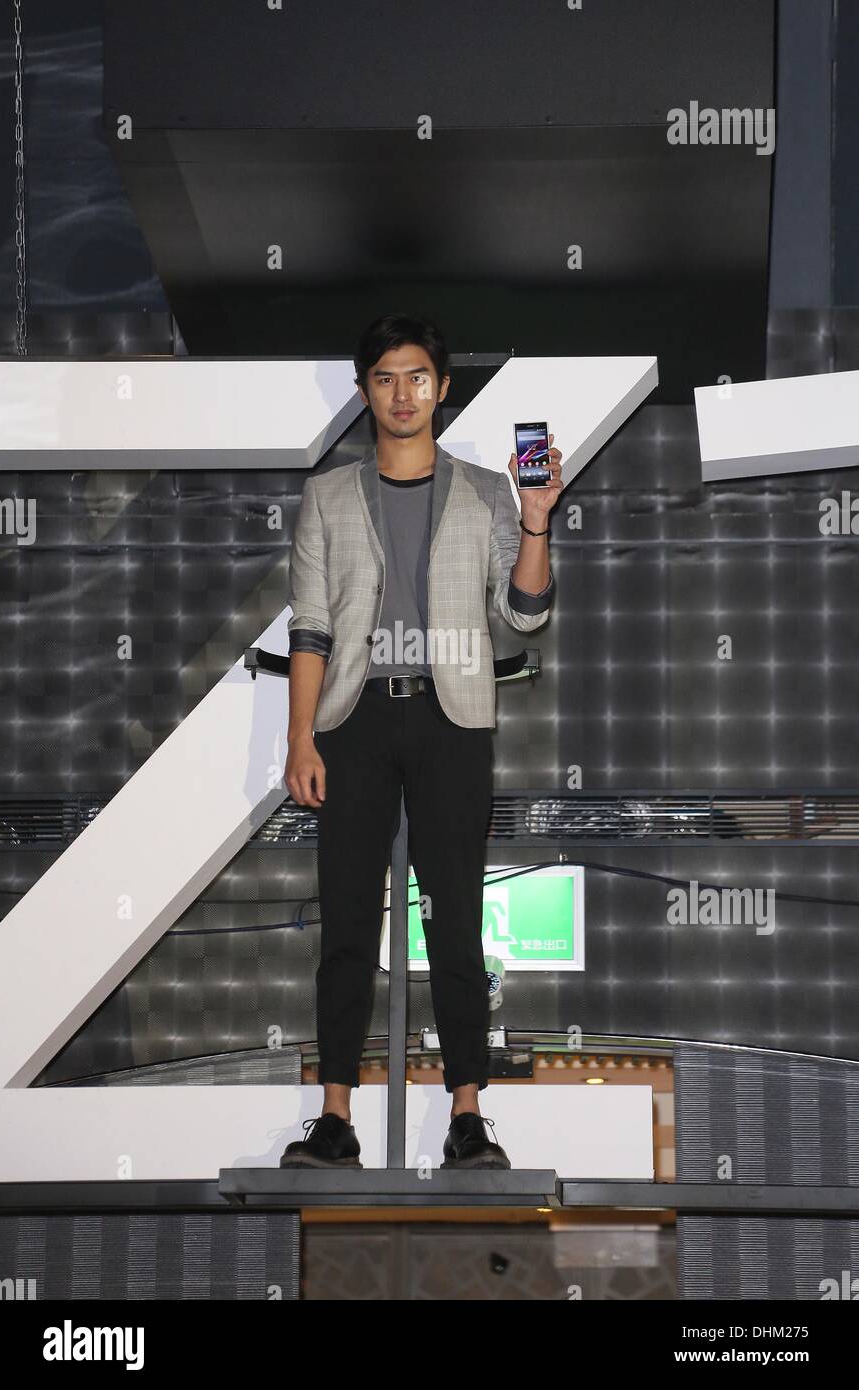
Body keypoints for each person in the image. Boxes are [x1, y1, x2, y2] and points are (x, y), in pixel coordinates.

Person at [279, 312, 561, 1170]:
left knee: (456, 922)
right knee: (349, 923)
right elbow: (313, 629)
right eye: (384, 378)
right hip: (354, 720)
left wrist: (538, 516)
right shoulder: (327, 495)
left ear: (441, 389)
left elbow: (525, 616)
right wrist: (300, 739)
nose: (401, 393)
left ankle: (468, 1115)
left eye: (416, 377)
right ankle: (334, 1118)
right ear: (367, 392)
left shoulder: (483, 491)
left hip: (452, 720)